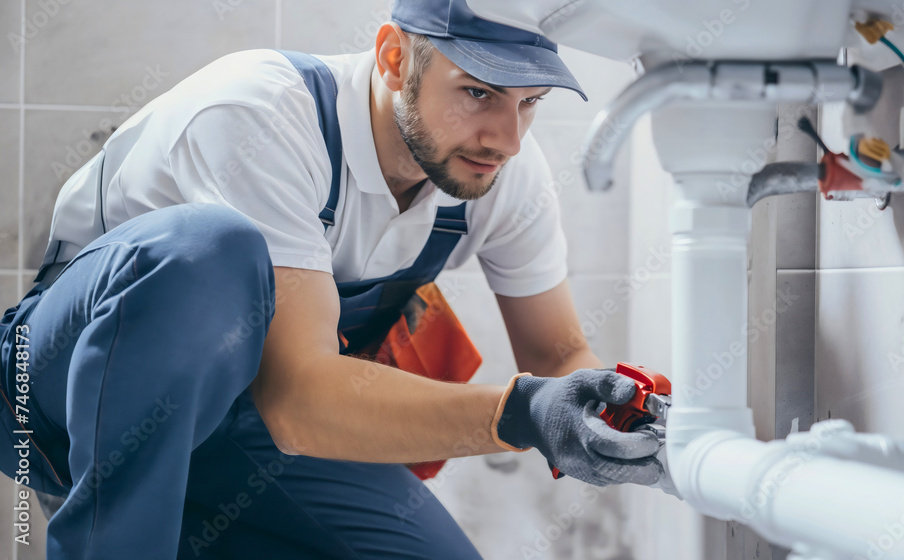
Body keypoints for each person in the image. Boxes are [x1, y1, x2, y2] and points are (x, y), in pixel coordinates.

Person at [0, 0, 667, 557]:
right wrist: (521, 412)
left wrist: (624, 412)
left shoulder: (502, 175)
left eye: (530, 103)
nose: (506, 137)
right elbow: (301, 403)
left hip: (246, 417)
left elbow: (556, 355)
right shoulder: (259, 112)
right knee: (209, 251)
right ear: (393, 57)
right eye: (478, 92)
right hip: (64, 393)